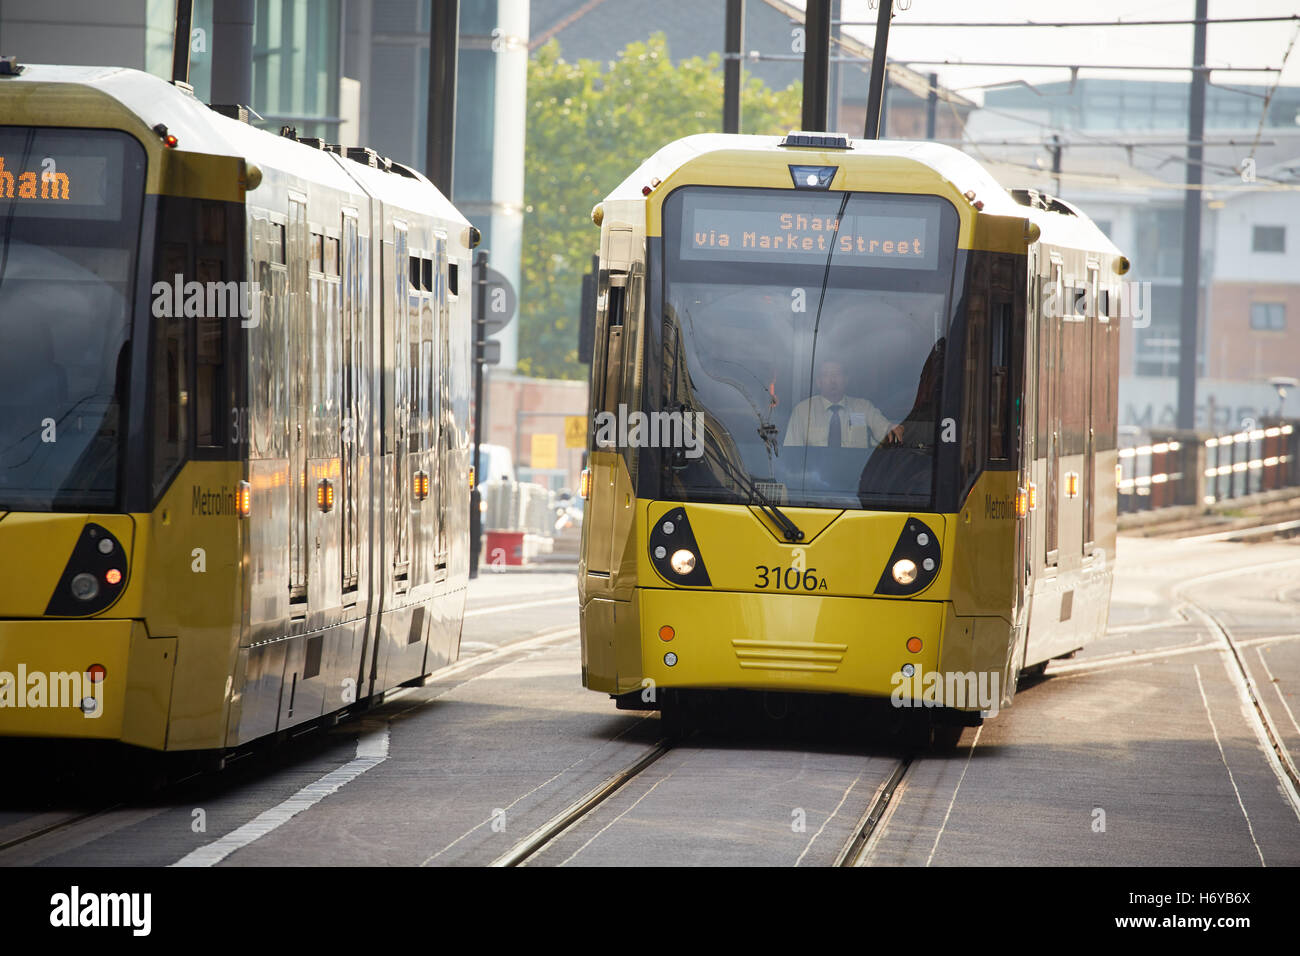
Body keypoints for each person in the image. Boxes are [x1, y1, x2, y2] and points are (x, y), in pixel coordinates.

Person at [784, 359, 903, 448]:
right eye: (826, 375)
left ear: (846, 379)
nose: (832, 380)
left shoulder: (863, 407)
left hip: (856, 477)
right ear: (818, 382)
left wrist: (890, 428)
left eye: (837, 374)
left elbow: (883, 428)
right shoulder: (803, 411)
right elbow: (792, 454)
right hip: (812, 478)